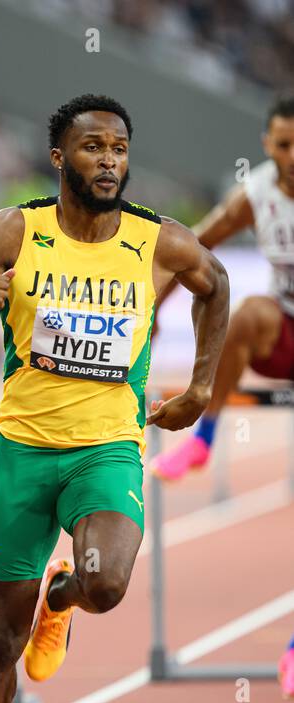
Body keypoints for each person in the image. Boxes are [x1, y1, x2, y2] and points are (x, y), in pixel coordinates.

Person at [0, 93, 229, 703]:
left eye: (120, 148)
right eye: (94, 147)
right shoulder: (13, 230)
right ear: (61, 157)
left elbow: (216, 285)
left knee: (105, 583)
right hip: (23, 456)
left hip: (107, 448)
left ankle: (62, 602)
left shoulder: (155, 240)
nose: (110, 161)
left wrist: (201, 386)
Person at [148, 94, 294, 482]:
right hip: (285, 334)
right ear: (267, 144)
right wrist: (154, 309)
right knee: (247, 312)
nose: (293, 156)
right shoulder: (255, 195)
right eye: (284, 145)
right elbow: (192, 249)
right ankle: (204, 440)